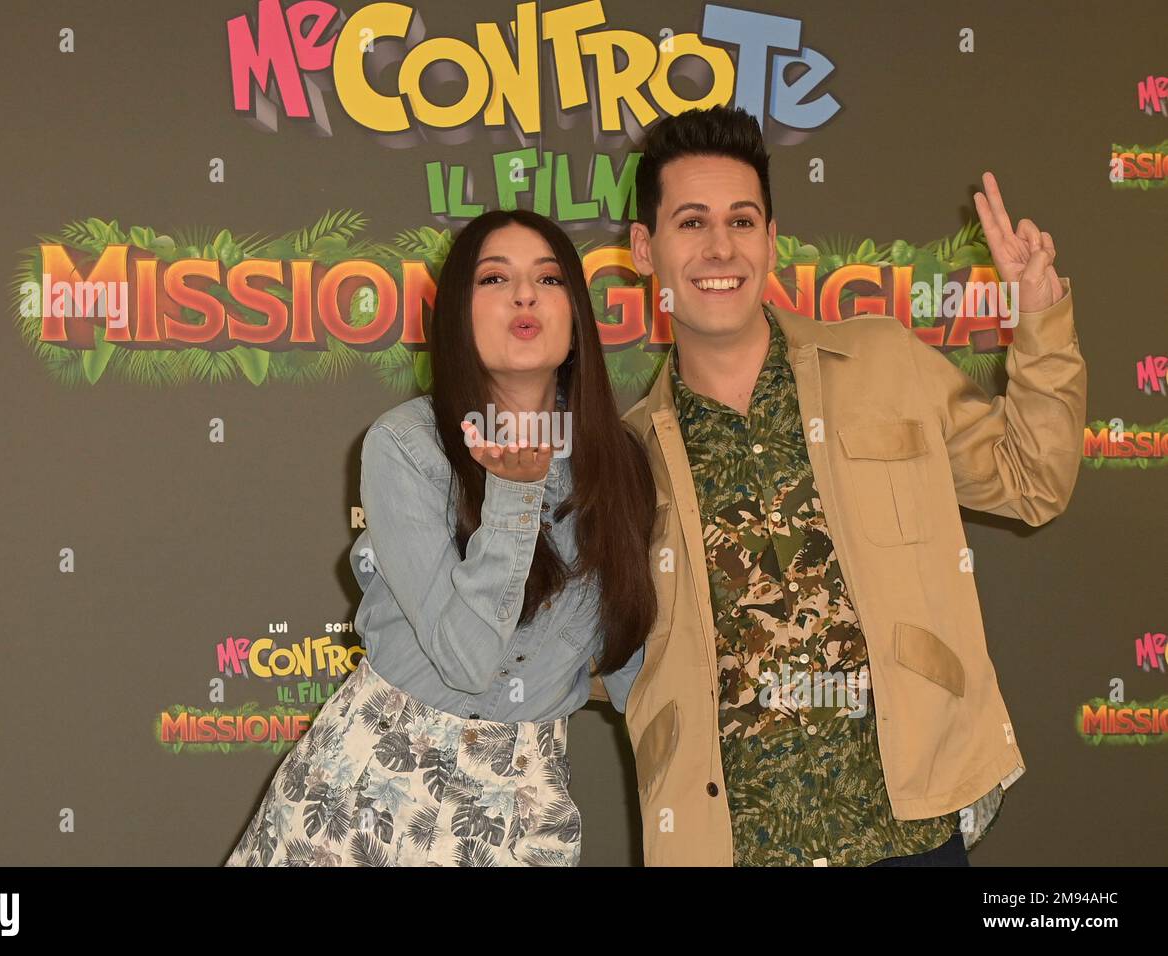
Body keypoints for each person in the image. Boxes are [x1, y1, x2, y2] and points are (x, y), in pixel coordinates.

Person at [598, 104, 1085, 866]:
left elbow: (1033, 480)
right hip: (735, 850)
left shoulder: (884, 361)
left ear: (771, 238)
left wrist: (1040, 318)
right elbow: (585, 649)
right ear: (643, 248)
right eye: (690, 223)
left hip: (909, 835)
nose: (720, 246)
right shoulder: (622, 458)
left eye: (742, 220)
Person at [225, 209, 655, 866]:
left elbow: (636, 670)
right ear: (457, 313)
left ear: (577, 319)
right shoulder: (407, 444)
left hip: (520, 809)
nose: (524, 295)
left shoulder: (621, 462)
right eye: (494, 279)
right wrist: (516, 493)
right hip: (368, 792)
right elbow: (465, 659)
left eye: (549, 278)